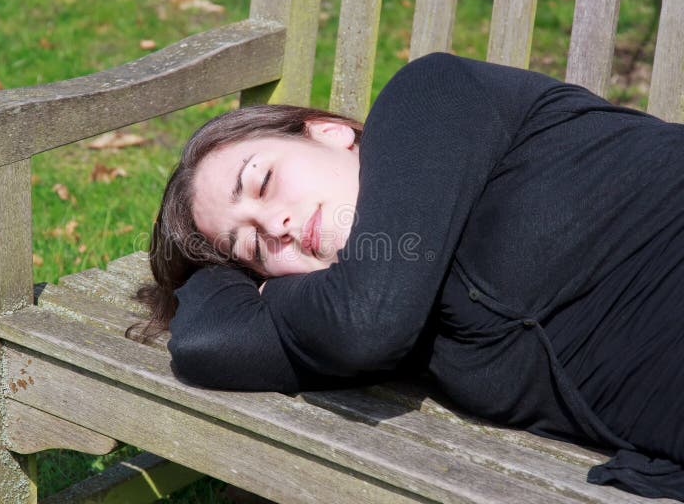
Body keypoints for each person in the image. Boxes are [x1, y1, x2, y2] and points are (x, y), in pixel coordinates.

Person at [128, 52, 684, 500]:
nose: (277, 224)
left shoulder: (433, 97)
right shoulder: (368, 300)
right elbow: (205, 343)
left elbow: (366, 322)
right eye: (252, 245)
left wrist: (261, 279)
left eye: (264, 180)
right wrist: (207, 264)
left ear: (327, 132)